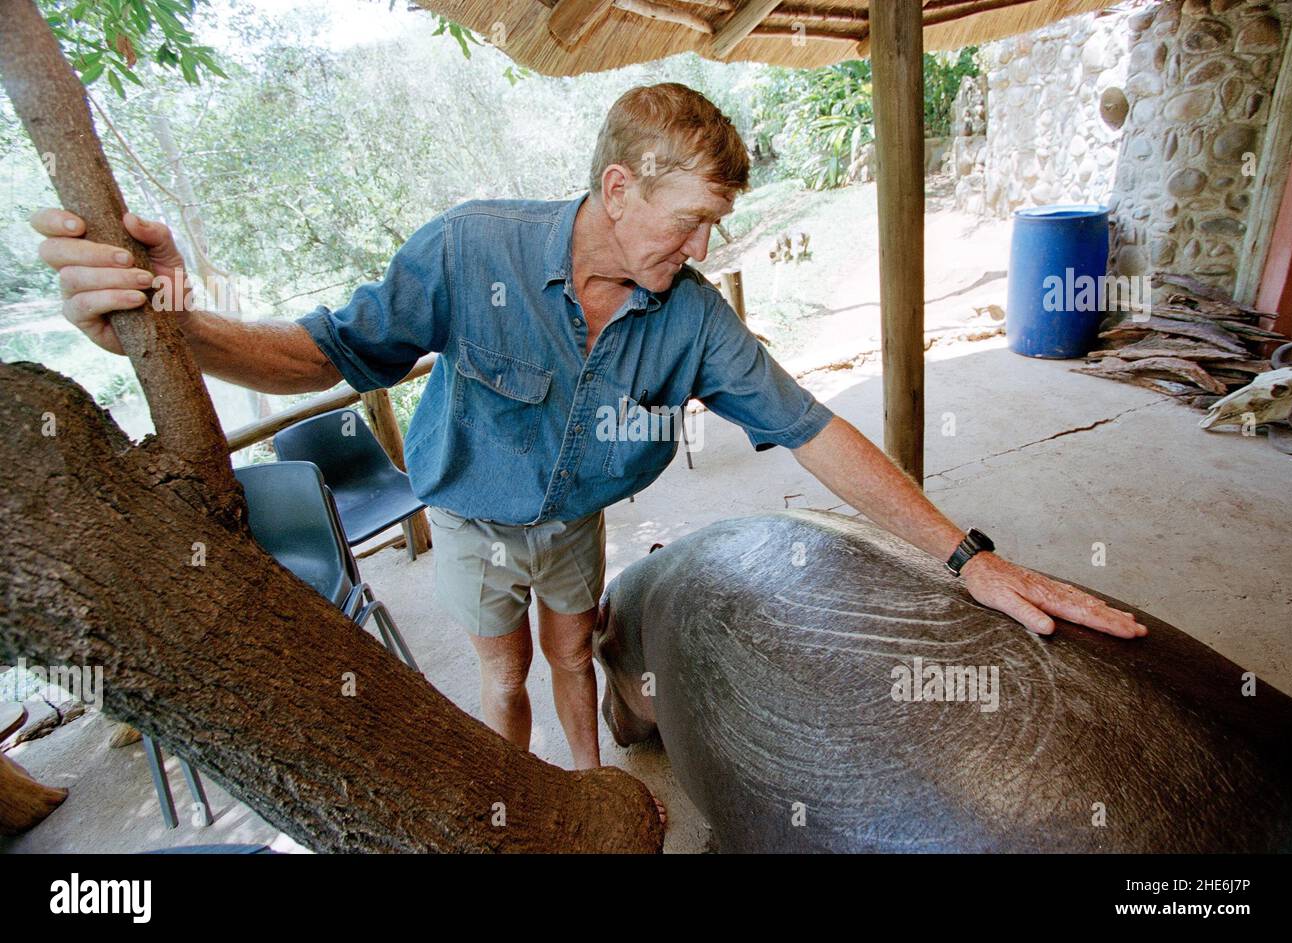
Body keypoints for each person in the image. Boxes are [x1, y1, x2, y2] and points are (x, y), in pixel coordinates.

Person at [31, 82, 1146, 779]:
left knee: (574, 658)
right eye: (692, 218)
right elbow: (325, 352)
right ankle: (512, 802)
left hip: (571, 522)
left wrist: (970, 556)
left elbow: (811, 429)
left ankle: (588, 785)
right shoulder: (470, 251)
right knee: (500, 676)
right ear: (619, 187)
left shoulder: (691, 320)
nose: (703, 248)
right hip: (466, 517)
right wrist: (176, 324)